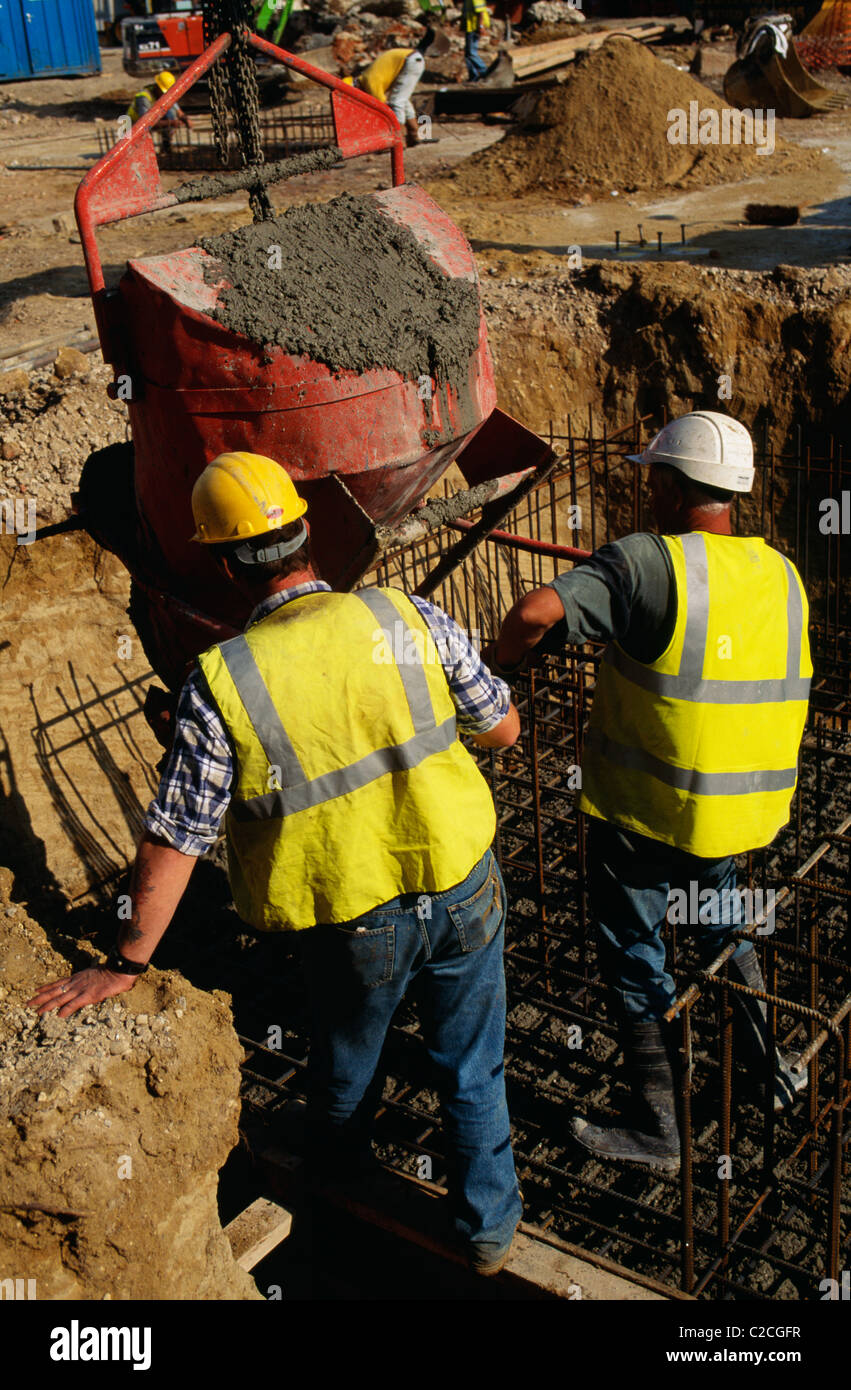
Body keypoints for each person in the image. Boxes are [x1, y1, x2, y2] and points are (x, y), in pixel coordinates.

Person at [28, 451, 523, 1275]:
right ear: (306, 534)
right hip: (463, 882)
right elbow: (501, 728)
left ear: (224, 564)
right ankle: (487, 1232)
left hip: (352, 917)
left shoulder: (221, 683)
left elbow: (178, 835)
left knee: (346, 1063)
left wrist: (125, 962)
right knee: (471, 1064)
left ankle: (336, 1180)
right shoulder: (402, 616)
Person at [489, 412, 812, 1173]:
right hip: (737, 812)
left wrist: (501, 674)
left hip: (641, 817)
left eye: (651, 481)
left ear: (669, 487)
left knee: (635, 953)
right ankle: (770, 1076)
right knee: (721, 932)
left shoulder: (648, 561)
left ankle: (661, 1130)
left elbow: (535, 613)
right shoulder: (781, 573)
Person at [355, 27, 435, 147]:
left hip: (411, 61)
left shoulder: (369, 82)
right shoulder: (366, 77)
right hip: (412, 60)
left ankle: (399, 140)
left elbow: (384, 107)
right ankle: (415, 135)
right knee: (403, 100)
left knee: (396, 102)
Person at [126, 70, 191, 129]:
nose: (166, 95)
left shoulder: (161, 94)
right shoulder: (144, 97)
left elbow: (178, 111)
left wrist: (185, 118)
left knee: (171, 111)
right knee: (169, 118)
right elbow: (145, 123)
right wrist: (171, 123)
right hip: (134, 126)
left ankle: (166, 141)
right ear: (158, 87)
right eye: (164, 92)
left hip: (148, 123)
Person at [462, 0, 491, 81]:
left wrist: (481, 26)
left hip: (474, 27)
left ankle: (485, 72)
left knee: (471, 53)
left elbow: (480, 11)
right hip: (470, 26)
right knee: (467, 54)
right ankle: (473, 77)